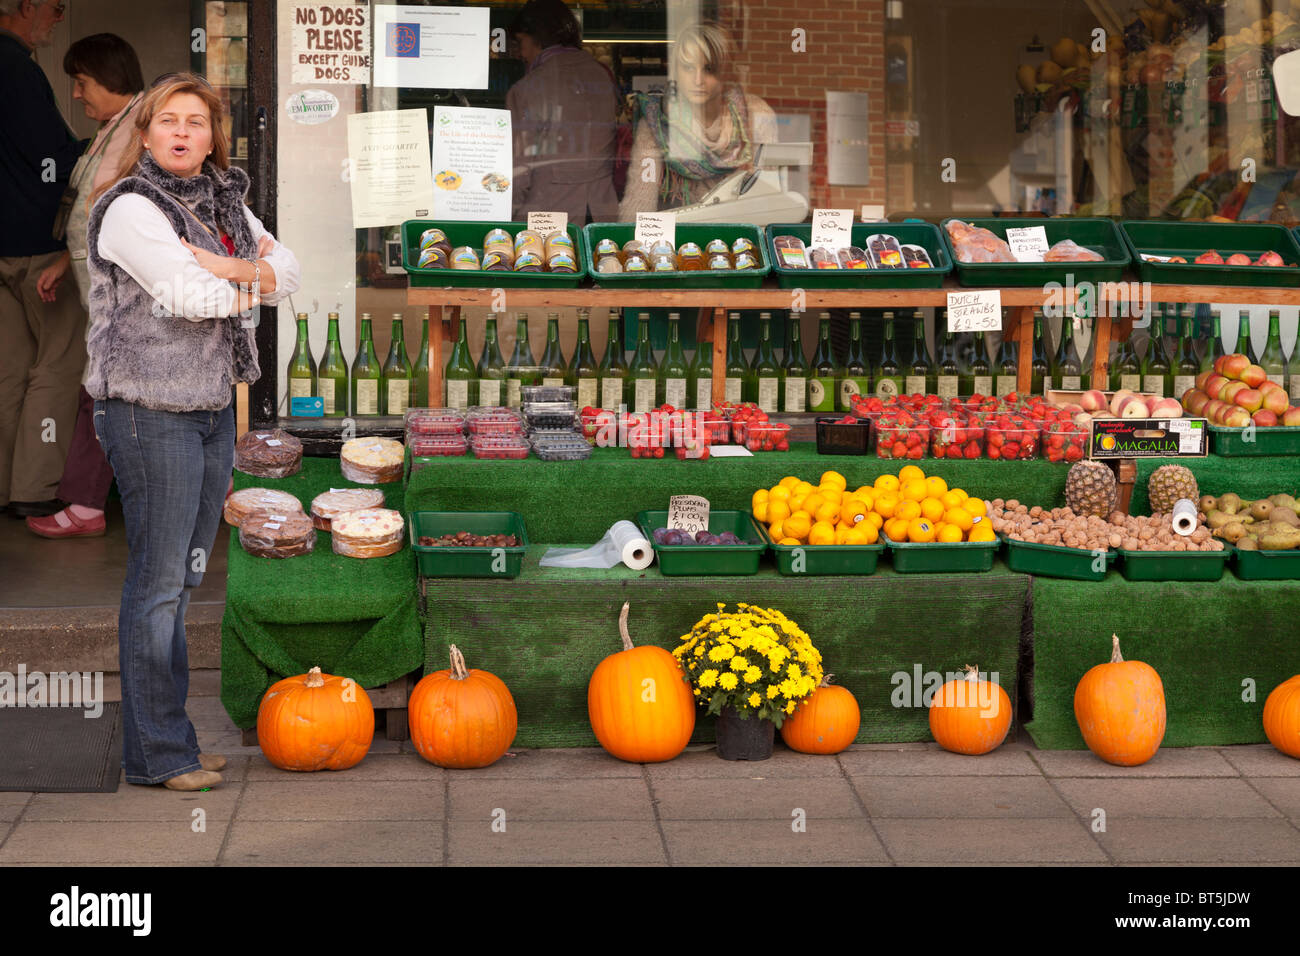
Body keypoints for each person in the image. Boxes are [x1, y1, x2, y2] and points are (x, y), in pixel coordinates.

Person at [85, 73, 300, 791]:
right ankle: (158, 753)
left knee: (181, 583)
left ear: (215, 137)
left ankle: (164, 740)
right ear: (143, 133)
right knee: (158, 582)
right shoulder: (129, 210)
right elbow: (186, 294)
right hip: (148, 412)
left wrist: (232, 265)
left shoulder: (226, 203)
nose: (183, 132)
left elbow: (290, 270)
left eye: (197, 122)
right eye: (168, 121)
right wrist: (250, 277)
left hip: (209, 409)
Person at [27, 33, 145, 539]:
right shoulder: (112, 126)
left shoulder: (145, 126)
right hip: (101, 291)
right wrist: (62, 258)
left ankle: (87, 505)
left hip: (125, 296)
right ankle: (90, 503)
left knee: (101, 394)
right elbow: (90, 211)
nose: (77, 94)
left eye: (83, 82)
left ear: (111, 77)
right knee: (107, 394)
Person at [0, 0, 90, 519]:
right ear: (25, 6)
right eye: (56, 8)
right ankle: (33, 490)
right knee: (56, 364)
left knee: (8, 369)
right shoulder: (19, 69)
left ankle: (4, 485)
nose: (58, 18)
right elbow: (52, 154)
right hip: (38, 245)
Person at [618, 21, 778, 218]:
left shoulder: (756, 116)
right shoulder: (656, 122)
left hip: (741, 238)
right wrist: (637, 246)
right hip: (676, 240)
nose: (697, 79)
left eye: (709, 68)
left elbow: (767, 199)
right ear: (675, 71)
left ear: (726, 72)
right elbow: (639, 202)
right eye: (688, 67)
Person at [506, 0, 620, 223]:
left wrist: (506, 218)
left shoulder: (526, 89)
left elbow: (519, 172)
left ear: (537, 36)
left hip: (546, 216)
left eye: (521, 41)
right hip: (602, 210)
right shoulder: (601, 74)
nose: (521, 52)